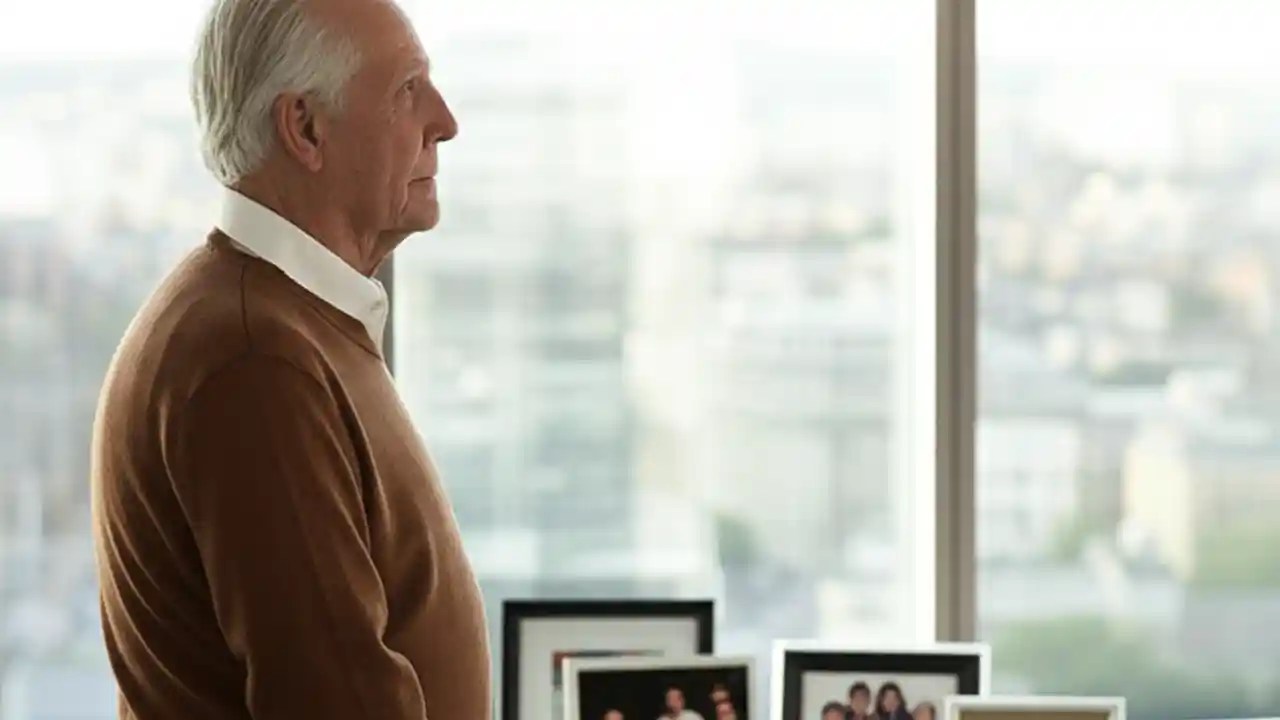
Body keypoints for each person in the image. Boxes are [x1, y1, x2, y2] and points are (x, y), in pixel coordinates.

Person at [89, 0, 483, 718]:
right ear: (304, 127)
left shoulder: (278, 322)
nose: (445, 121)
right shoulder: (256, 360)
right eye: (407, 89)